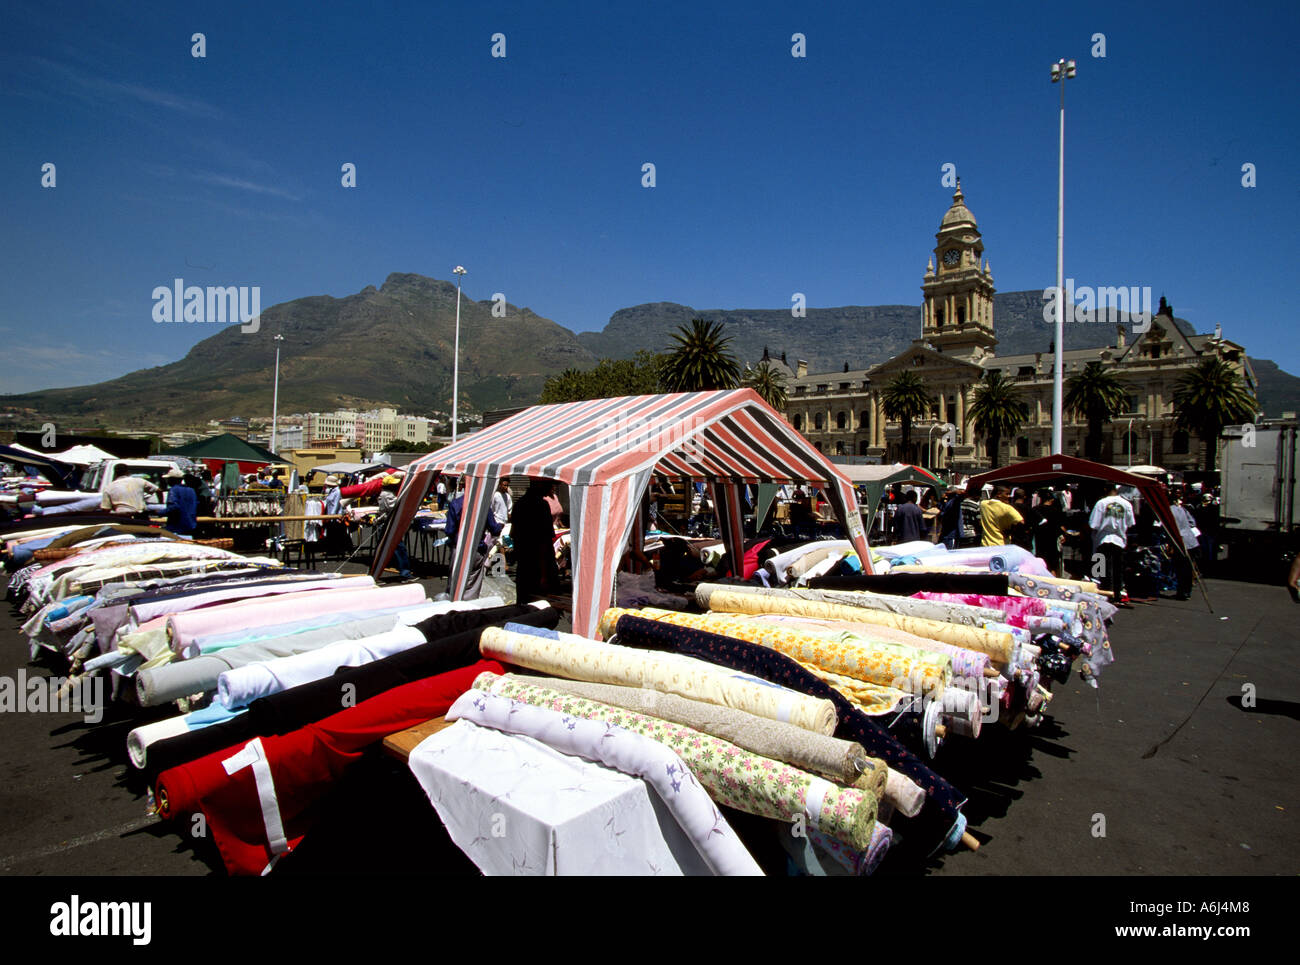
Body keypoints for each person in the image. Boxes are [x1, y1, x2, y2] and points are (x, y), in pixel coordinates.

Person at [444, 484, 504, 599]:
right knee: (472, 586)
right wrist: (500, 526)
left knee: (454, 584)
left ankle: (454, 608)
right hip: (476, 550)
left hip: (458, 549)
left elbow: (450, 530)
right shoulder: (483, 506)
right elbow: (494, 528)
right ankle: (468, 611)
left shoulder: (455, 504)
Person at [511, 477, 561, 603]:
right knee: (538, 604)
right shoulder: (541, 506)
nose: (551, 488)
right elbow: (544, 542)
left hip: (524, 565)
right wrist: (544, 574)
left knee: (524, 603)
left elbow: (514, 534)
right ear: (539, 485)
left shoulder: (519, 504)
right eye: (549, 485)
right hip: (538, 566)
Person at [1090, 482, 1136, 607]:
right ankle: (1117, 595)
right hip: (1119, 540)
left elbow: (1093, 524)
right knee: (1118, 569)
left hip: (1102, 539)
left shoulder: (1101, 503)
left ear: (1105, 489)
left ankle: (1103, 594)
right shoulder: (1126, 504)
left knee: (1100, 568)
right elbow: (1130, 523)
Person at [376, 475, 415, 581]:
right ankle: (405, 572)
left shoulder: (386, 494)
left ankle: (376, 570)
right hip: (388, 525)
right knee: (399, 548)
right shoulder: (387, 495)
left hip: (385, 524)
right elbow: (396, 507)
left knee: (385, 549)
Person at [1169, 491, 1201, 600]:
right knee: (1188, 567)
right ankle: (1187, 591)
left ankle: (1182, 592)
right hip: (1190, 539)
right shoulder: (1182, 509)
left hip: (1180, 541)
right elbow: (1192, 522)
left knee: (1181, 568)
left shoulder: (1169, 510)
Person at [1033, 489, 1067, 577]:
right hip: (1052, 541)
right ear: (1051, 499)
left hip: (1039, 540)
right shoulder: (1055, 511)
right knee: (1052, 566)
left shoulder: (1035, 510)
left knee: (1040, 563)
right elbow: (1060, 527)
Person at [164, 470, 199, 537]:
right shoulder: (191, 490)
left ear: (172, 480)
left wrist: (160, 512)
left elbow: (174, 507)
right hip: (190, 525)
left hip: (176, 527)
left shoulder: (173, 490)